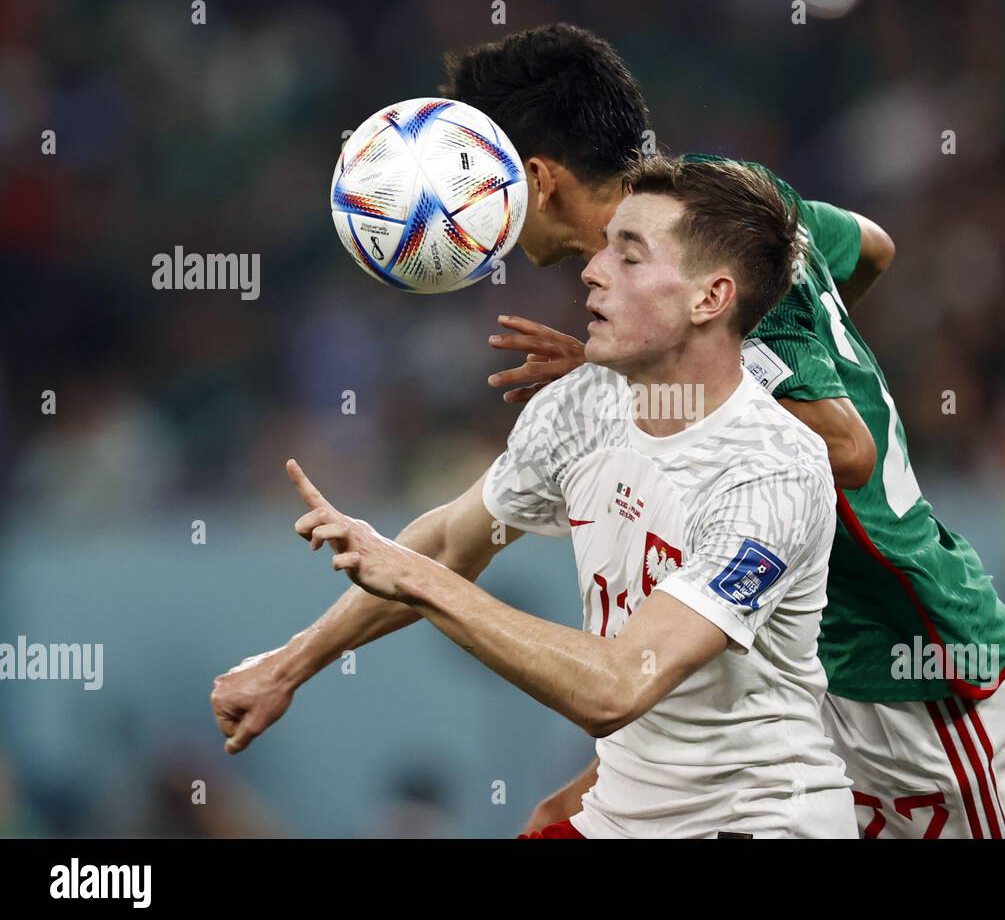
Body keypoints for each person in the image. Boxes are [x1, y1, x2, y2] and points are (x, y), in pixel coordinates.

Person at [448, 23, 1005, 839]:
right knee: (562, 820)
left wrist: (632, 377)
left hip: (903, 656)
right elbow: (871, 245)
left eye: (483, 180)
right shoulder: (720, 221)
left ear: (539, 178)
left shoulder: (709, 253)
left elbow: (847, 449)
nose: (479, 218)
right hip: (783, 667)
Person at [211, 156, 857, 839]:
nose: (593, 269)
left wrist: (419, 579)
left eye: (630, 258)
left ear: (710, 298)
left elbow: (616, 687)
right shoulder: (583, 405)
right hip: (622, 814)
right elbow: (450, 543)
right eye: (607, 245)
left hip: (756, 821)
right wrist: (289, 664)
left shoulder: (771, 470)